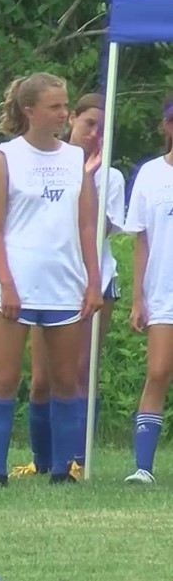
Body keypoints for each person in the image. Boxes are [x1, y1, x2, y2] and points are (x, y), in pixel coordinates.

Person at [0, 73, 102, 487]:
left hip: (64, 283)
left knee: (66, 380)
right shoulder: (5, 157)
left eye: (65, 105)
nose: (64, 112)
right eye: (55, 106)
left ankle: (62, 469)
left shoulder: (75, 160)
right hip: (16, 284)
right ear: (29, 111)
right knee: (6, 378)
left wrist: (93, 281)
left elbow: (87, 225)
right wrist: (7, 283)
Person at [12, 93, 124, 479]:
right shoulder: (45, 163)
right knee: (42, 377)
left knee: (79, 371)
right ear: (72, 119)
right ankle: (41, 460)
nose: (95, 134)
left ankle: (76, 459)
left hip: (95, 281)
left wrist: (88, 177)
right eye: (89, 123)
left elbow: (99, 228)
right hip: (50, 280)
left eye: (103, 128)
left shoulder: (109, 174)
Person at [121, 94, 173, 484]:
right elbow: (141, 239)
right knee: (157, 371)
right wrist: (138, 297)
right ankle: (143, 467)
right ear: (165, 126)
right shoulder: (150, 174)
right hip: (164, 291)